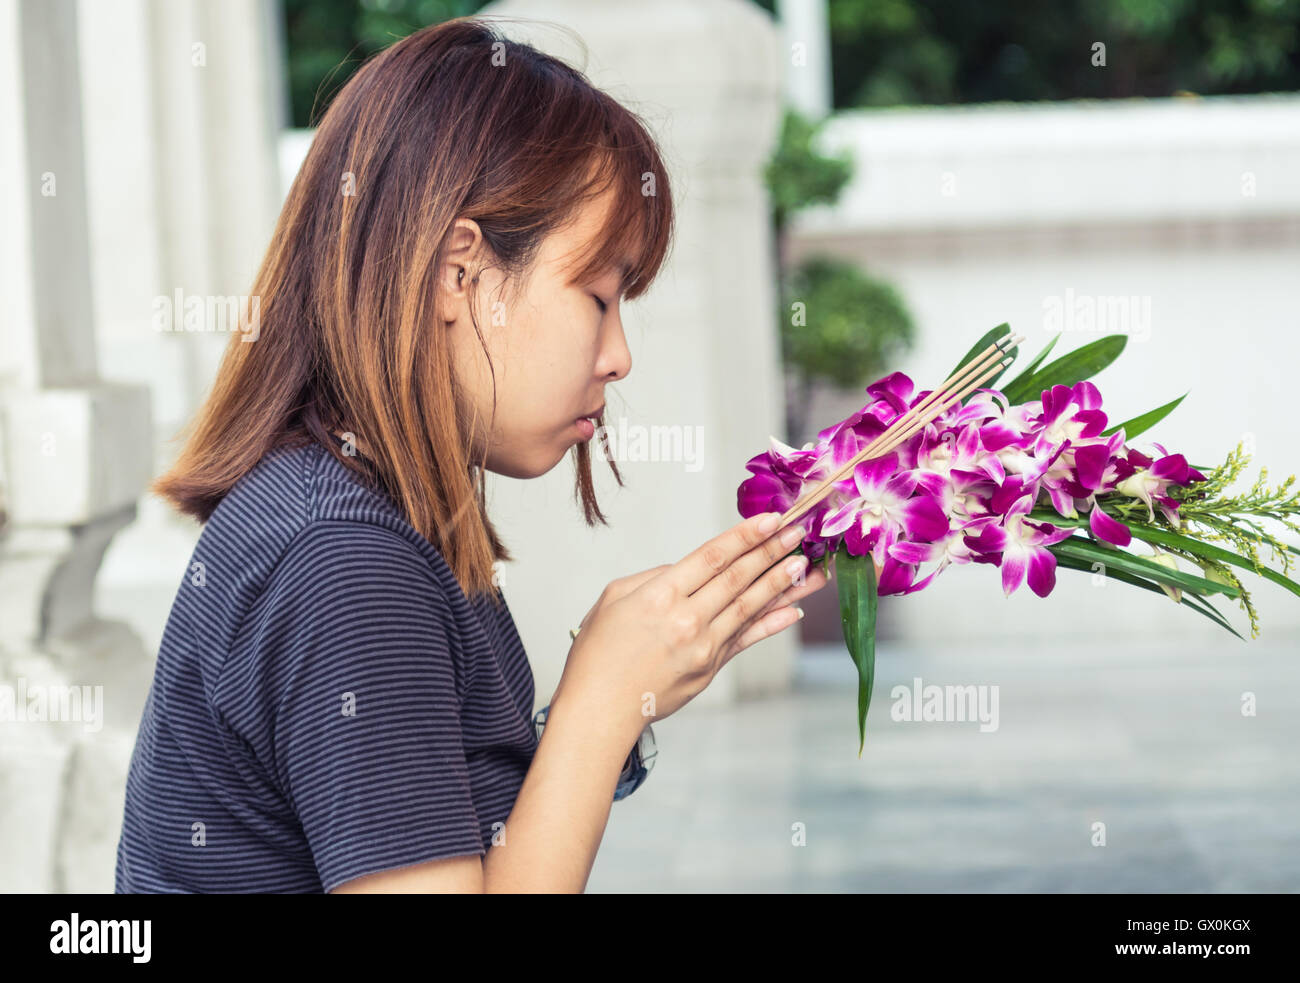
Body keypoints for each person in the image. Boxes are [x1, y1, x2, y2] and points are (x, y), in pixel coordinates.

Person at [113, 15, 826, 895]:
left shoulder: (349, 508)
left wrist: (616, 690)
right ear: (460, 272)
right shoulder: (346, 563)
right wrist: (603, 701)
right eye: (598, 298)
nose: (619, 356)